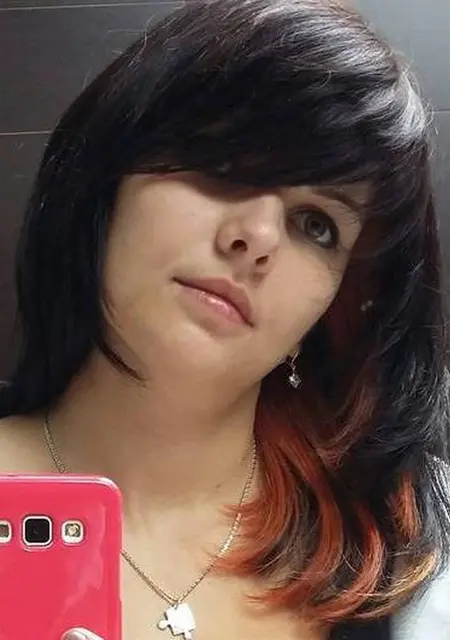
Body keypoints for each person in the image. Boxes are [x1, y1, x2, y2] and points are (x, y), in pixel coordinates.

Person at [1, 0, 449, 638]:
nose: (257, 237)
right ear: (107, 180)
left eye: (316, 225)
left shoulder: (412, 551)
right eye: (226, 165)